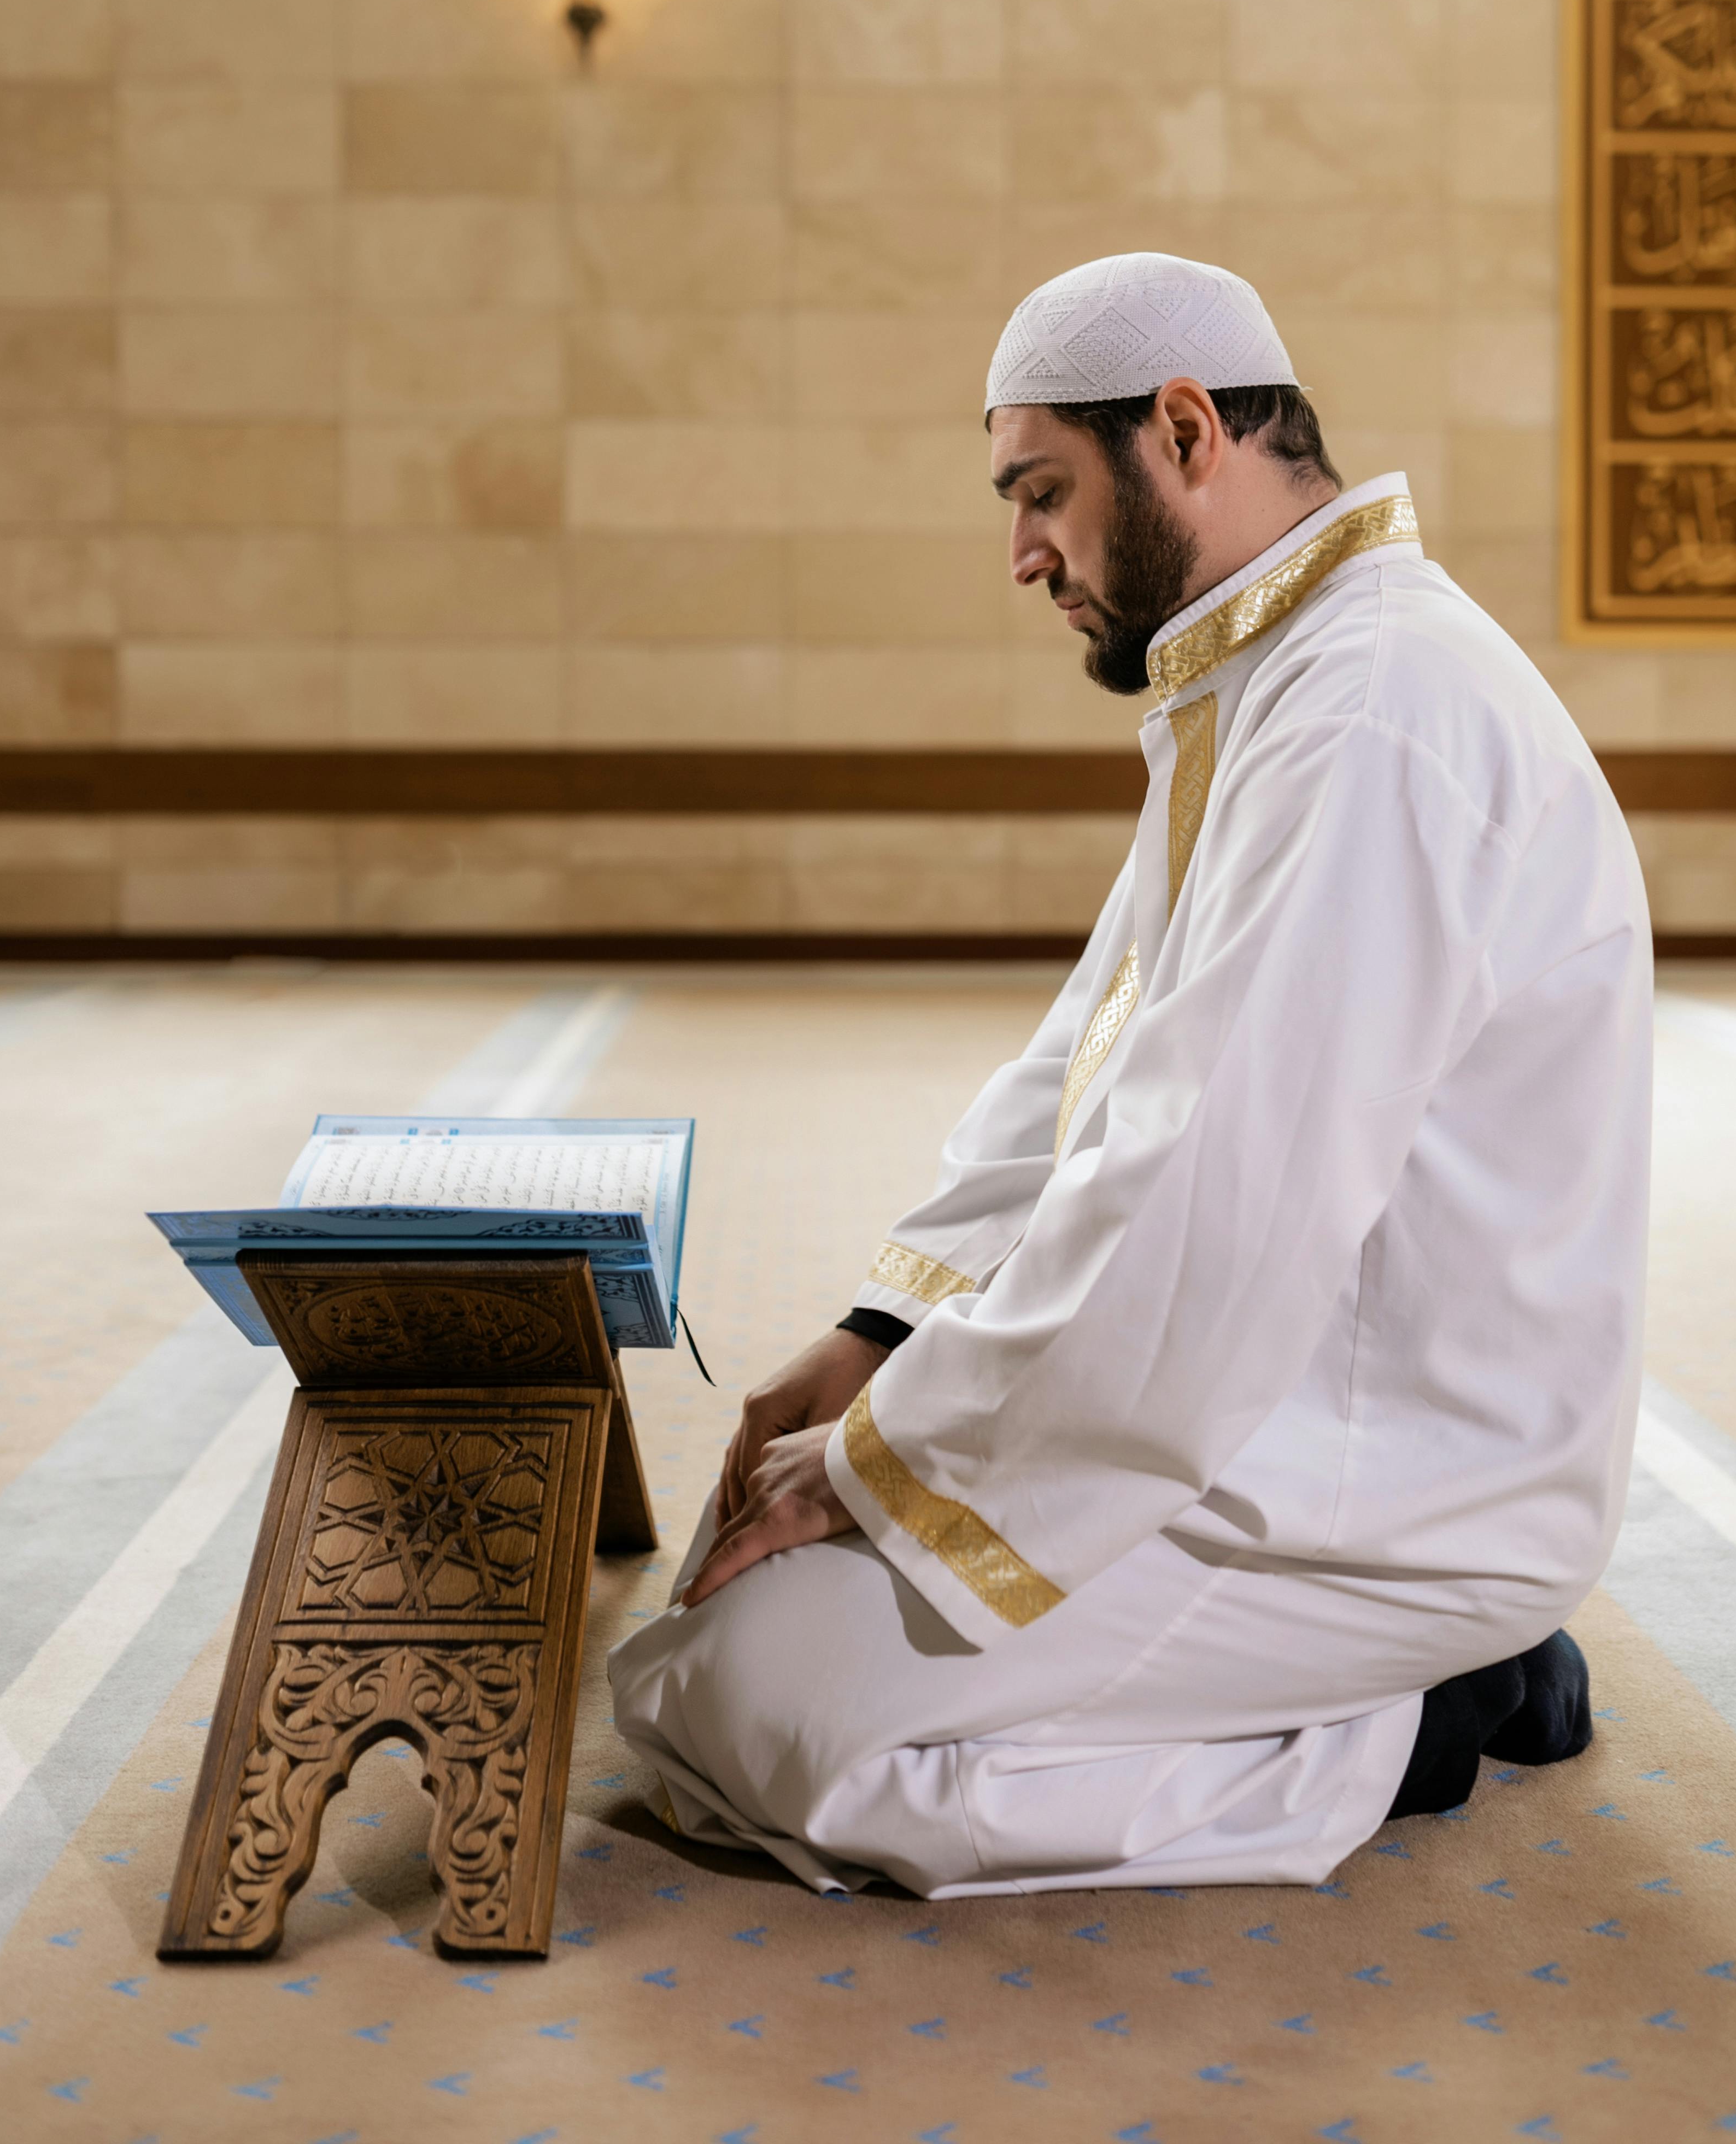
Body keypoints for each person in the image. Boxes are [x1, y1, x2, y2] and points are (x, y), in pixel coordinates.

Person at [611, 252, 1650, 1897]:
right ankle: (1389, 1682)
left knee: (754, 1707)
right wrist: (880, 1338)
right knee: (721, 1641)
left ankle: (1422, 1715)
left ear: (1182, 430)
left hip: (1391, 1473)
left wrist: (897, 1465)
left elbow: (1209, 1199)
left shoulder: (1371, 715)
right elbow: (1094, 1064)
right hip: (1268, 1395)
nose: (1023, 553)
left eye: (1041, 491)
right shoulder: (1282, 671)